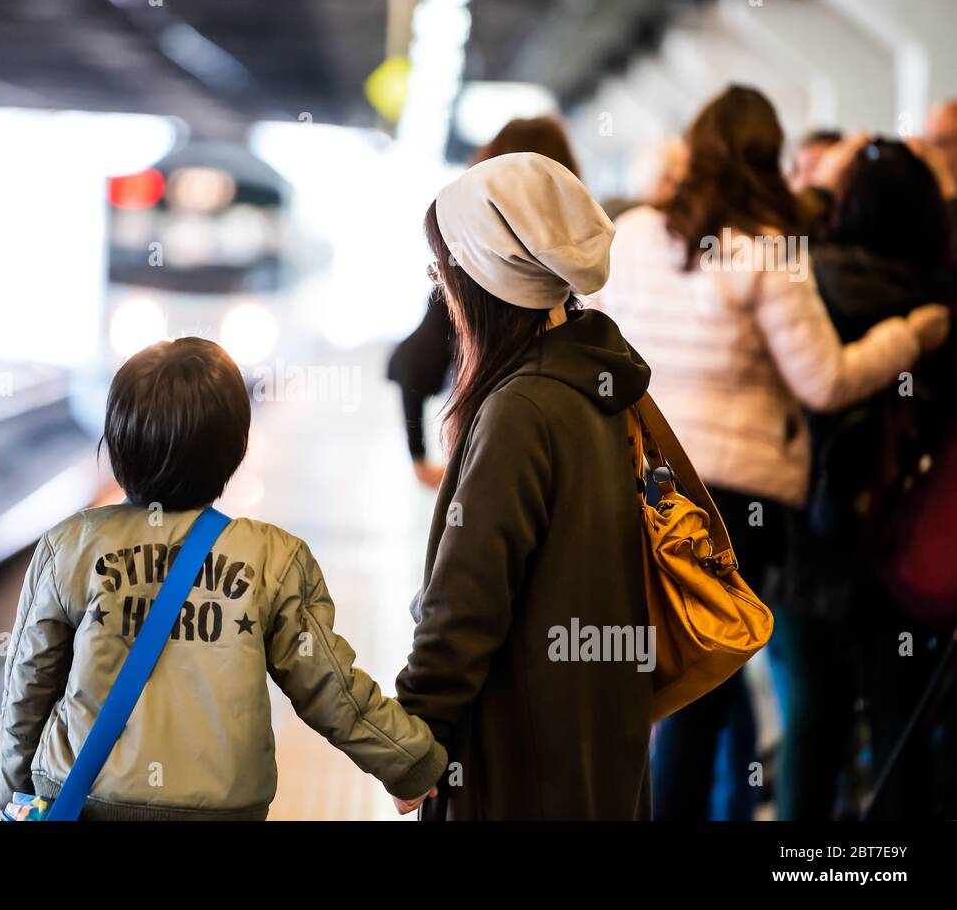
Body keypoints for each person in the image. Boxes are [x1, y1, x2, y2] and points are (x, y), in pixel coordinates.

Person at [589, 85, 950, 821]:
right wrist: (912, 337)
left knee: (633, 686)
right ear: (766, 158)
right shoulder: (767, 254)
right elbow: (826, 379)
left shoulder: (629, 236)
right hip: (729, 505)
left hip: (628, 486)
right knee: (702, 696)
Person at [0, 337, 446, 819]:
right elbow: (331, 688)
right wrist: (408, 763)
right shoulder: (273, 558)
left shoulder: (68, 548)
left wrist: (13, 791)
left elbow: (28, 684)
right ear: (236, 447)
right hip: (221, 807)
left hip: (82, 796)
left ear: (118, 440)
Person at [395, 152, 654, 819]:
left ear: (478, 282)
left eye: (440, 273)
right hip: (598, 749)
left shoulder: (521, 409)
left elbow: (466, 601)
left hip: (519, 767)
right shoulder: (599, 381)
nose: (440, 291)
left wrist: (414, 740)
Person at [781, 139, 957, 819]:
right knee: (898, 721)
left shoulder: (807, 283)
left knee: (812, 714)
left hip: (809, 533)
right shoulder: (939, 300)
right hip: (907, 541)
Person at [386, 116, 583, 489]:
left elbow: (414, 362)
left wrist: (419, 457)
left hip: (489, 460)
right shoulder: (585, 262)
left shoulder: (475, 270)